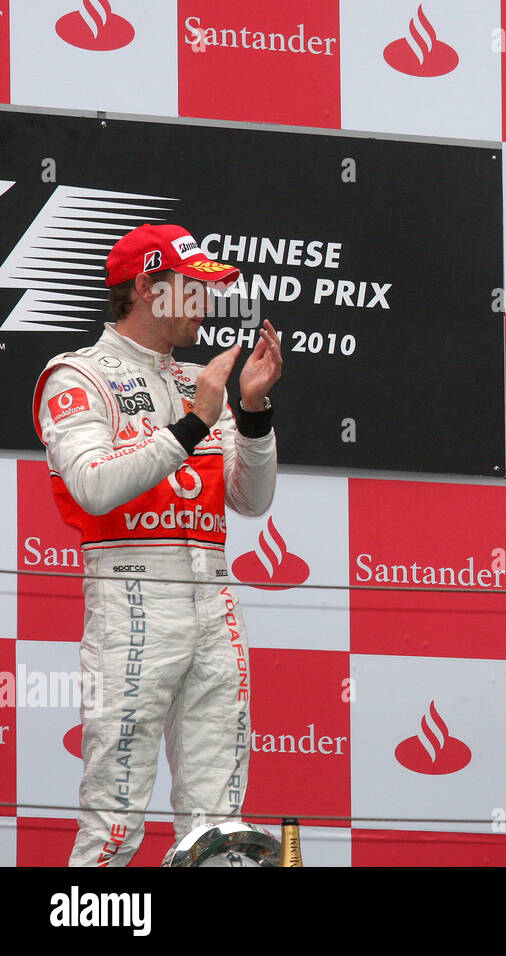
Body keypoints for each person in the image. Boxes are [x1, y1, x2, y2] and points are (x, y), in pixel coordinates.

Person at [32, 223, 283, 866]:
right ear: (147, 288)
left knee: (219, 824)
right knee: (114, 824)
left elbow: (251, 501)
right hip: (130, 595)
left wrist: (250, 415)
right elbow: (92, 486)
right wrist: (196, 420)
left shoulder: (202, 380)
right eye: (192, 289)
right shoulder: (75, 376)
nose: (205, 303)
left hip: (215, 596)